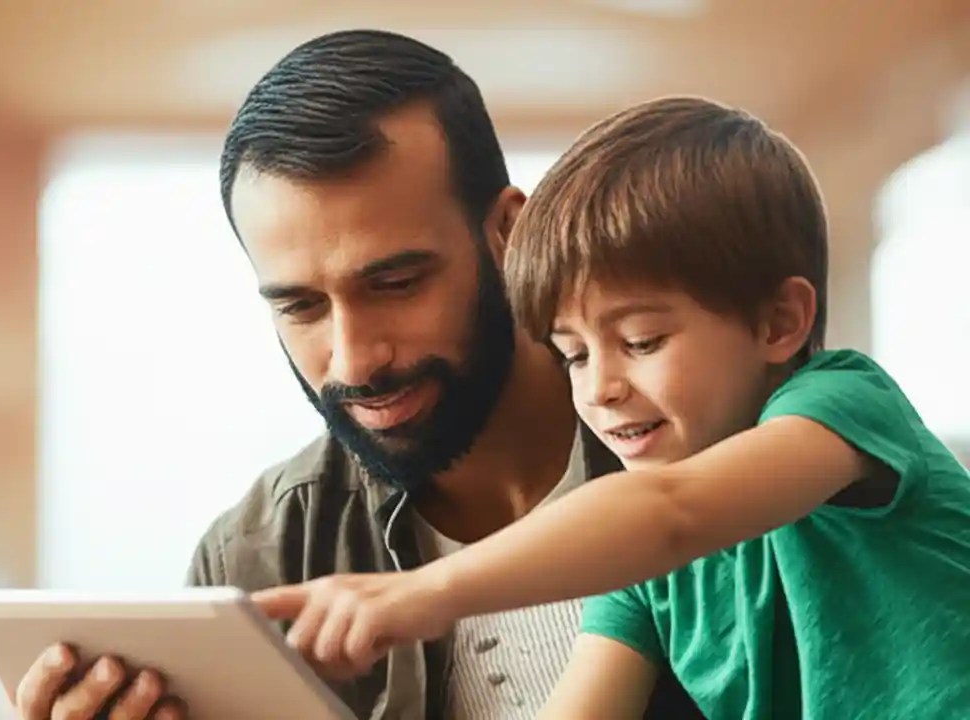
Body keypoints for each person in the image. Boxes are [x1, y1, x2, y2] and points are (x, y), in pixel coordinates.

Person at [10, 30, 700, 720]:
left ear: (507, 236)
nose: (354, 360)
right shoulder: (256, 559)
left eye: (396, 283)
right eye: (301, 306)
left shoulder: (710, 444)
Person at [252, 96, 970, 718]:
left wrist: (427, 593)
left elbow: (673, 512)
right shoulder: (640, 569)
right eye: (573, 354)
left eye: (642, 340)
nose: (600, 388)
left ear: (780, 322)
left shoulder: (843, 404)